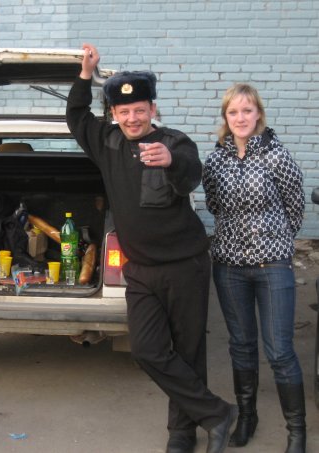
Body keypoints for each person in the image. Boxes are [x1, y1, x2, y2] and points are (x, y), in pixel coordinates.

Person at [66, 43, 236, 453]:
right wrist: (85, 75)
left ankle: (182, 433)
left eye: (139, 110)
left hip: (185, 266)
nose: (132, 118)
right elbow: (75, 116)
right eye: (124, 111)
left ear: (153, 109)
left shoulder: (175, 142)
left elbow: (191, 176)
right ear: (114, 114)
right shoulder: (107, 143)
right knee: (147, 350)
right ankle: (216, 414)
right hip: (140, 270)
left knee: (188, 350)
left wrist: (170, 161)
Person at [202, 83, 306, 453]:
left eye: (247, 110)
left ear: (258, 113)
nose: (241, 117)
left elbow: (295, 205)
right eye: (233, 112)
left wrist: (273, 238)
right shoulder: (215, 160)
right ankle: (247, 416)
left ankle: (296, 431)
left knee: (279, 351)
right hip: (229, 267)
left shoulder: (276, 155)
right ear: (226, 117)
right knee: (242, 346)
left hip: (272, 265)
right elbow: (214, 205)